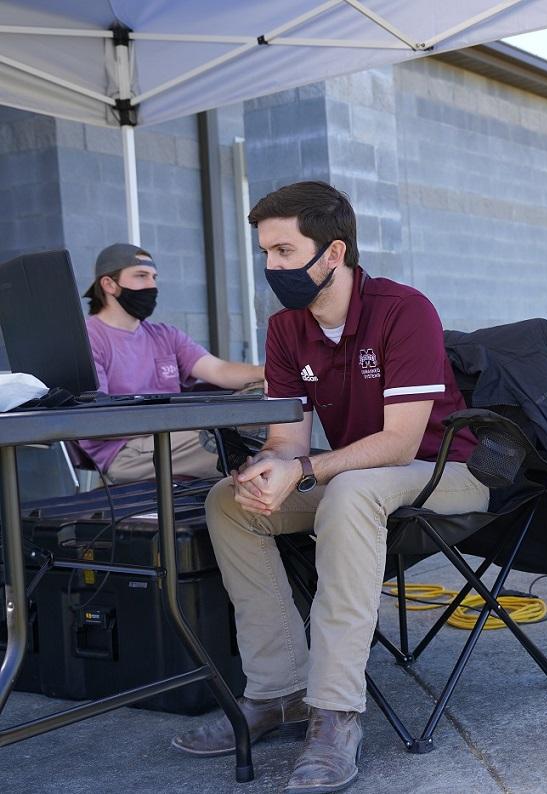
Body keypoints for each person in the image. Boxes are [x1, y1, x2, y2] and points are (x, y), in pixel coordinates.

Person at [171, 181, 489, 794]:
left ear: (334, 252)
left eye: (286, 252)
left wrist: (308, 469)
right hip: (359, 476)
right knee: (229, 503)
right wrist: (274, 468)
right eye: (265, 253)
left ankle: (337, 714)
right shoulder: (286, 328)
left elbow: (400, 442)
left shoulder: (404, 309)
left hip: (447, 471)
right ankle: (278, 692)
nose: (272, 267)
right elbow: (288, 440)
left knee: (350, 492)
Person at [79, 244, 264, 482]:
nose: (152, 285)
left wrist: (268, 373)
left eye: (154, 277)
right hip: (125, 451)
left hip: (175, 435)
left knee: (259, 435)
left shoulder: (165, 334)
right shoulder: (88, 338)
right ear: (109, 284)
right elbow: (98, 418)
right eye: (141, 276)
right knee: (231, 445)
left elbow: (218, 369)